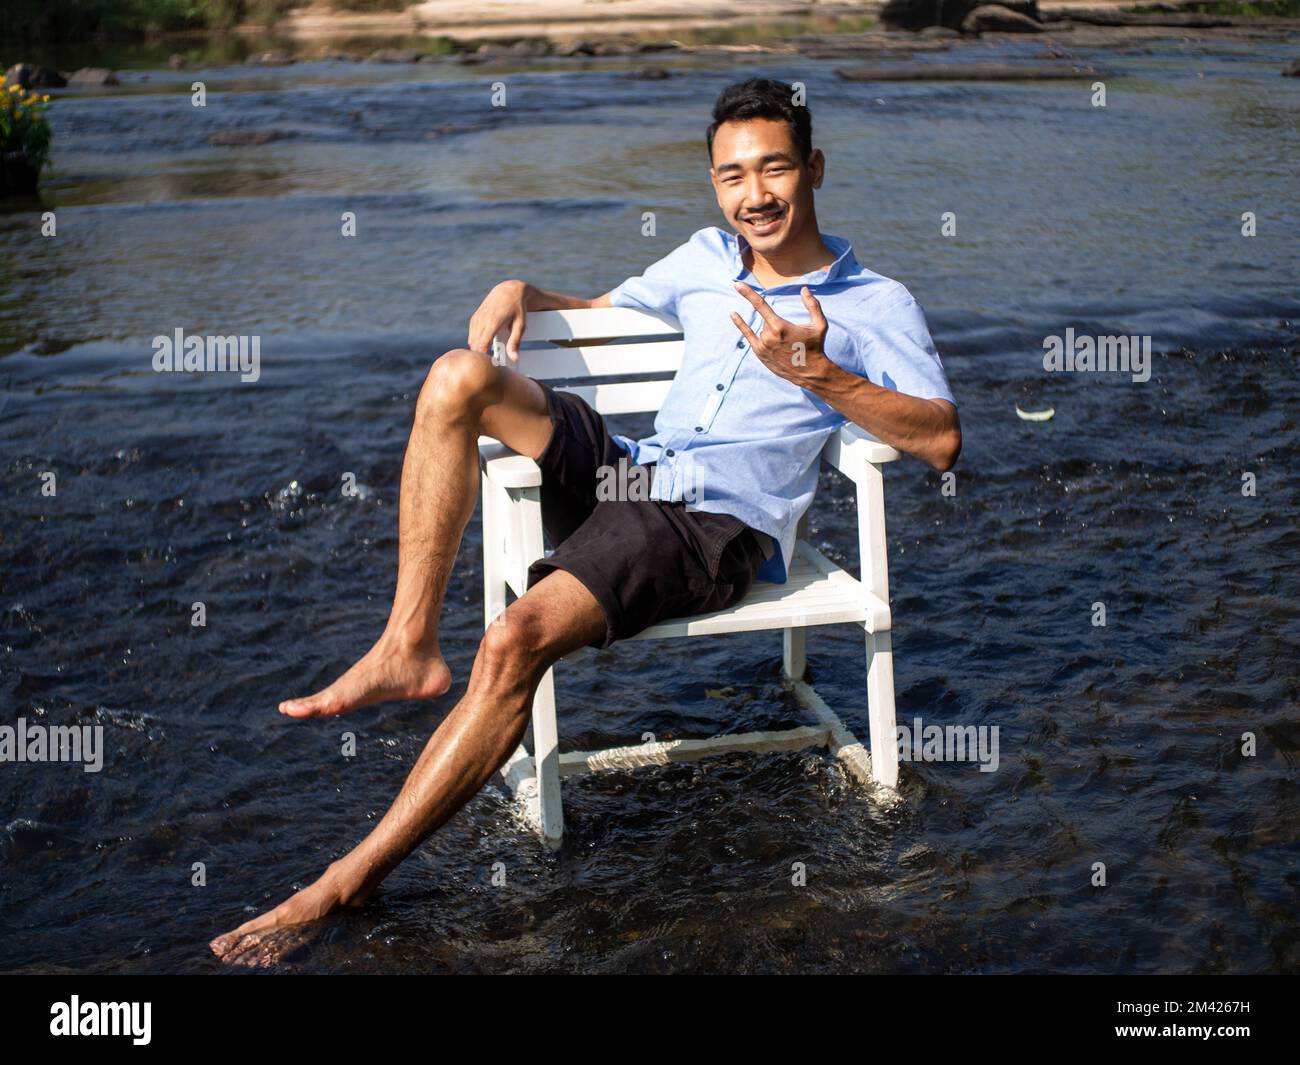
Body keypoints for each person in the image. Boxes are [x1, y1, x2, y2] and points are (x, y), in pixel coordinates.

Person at [210, 76, 960, 966]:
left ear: (815, 168)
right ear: (713, 182)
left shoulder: (878, 303)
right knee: (458, 376)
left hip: (710, 525)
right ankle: (408, 643)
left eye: (775, 169)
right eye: (732, 175)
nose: (754, 194)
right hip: (635, 474)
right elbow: (600, 313)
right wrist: (519, 286)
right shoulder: (701, 260)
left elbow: (942, 441)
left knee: (512, 639)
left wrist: (826, 378)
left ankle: (348, 877)